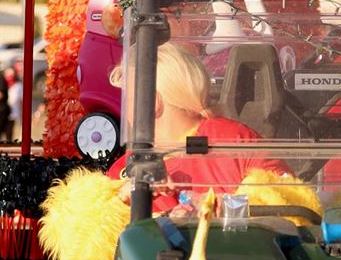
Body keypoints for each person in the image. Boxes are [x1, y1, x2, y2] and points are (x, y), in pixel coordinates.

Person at [112, 41, 275, 211]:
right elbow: (287, 201)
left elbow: (287, 200)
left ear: (151, 102)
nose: (124, 110)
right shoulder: (237, 139)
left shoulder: (233, 141)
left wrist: (217, 209)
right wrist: (125, 198)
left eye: (129, 99)